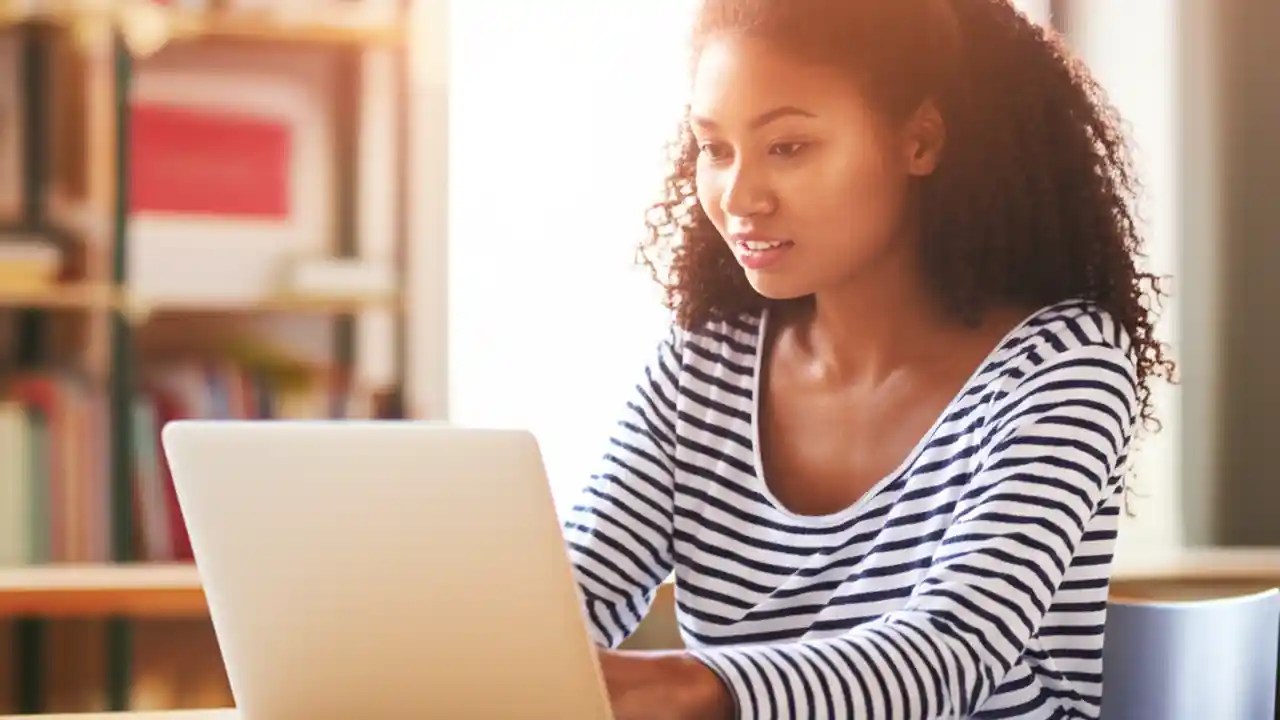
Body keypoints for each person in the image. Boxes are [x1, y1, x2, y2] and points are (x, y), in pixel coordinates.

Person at [562, 0, 1174, 717]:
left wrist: (682, 685)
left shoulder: (1062, 367)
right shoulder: (709, 358)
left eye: (787, 147)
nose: (738, 198)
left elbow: (949, 653)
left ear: (919, 140)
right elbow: (576, 587)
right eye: (715, 149)